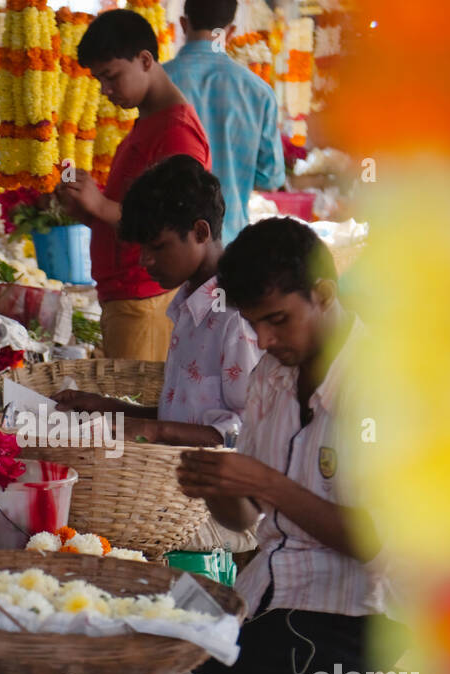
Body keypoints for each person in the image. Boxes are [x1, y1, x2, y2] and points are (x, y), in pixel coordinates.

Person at [175, 217, 397, 674]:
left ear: (323, 294)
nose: (267, 341)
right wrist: (222, 490)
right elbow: (247, 521)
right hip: (270, 596)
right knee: (152, 645)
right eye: (255, 325)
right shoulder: (271, 376)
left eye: (278, 320)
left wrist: (267, 484)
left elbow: (375, 541)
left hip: (356, 616)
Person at [53, 155, 262, 452]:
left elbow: (247, 433)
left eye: (158, 246)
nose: (144, 260)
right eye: (141, 247)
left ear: (200, 233)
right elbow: (183, 417)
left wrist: (152, 430)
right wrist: (109, 408)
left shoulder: (234, 316)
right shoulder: (189, 305)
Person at [56, 8, 211, 363]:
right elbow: (136, 213)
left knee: (130, 408)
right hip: (128, 297)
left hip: (145, 299)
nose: (106, 90)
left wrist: (99, 206)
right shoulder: (149, 121)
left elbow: (176, 222)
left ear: (144, 60)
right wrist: (86, 210)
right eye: (99, 81)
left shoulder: (176, 132)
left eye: (111, 77)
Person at [165, 0, 286, 245]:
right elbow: (270, 178)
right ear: (230, 32)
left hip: (169, 248)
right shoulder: (258, 91)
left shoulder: (158, 82)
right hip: (230, 246)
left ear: (183, 24)